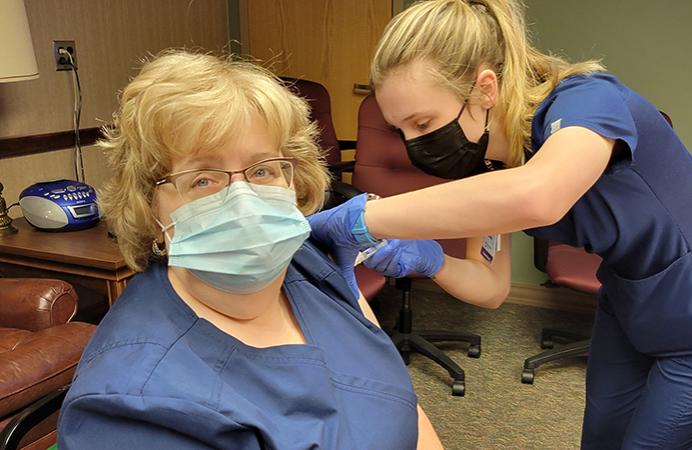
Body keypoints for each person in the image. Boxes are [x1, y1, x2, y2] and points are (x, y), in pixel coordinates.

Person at [308, 0, 692, 448]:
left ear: (485, 88)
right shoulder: (487, 166)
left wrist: (365, 216)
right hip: (635, 287)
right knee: (601, 436)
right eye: (401, 130)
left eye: (423, 121)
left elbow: (541, 196)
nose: (414, 144)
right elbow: (491, 287)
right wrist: (429, 259)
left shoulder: (588, 102)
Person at [56, 50, 443, 450]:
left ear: (293, 180)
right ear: (151, 209)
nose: (244, 202)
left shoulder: (307, 263)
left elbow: (399, 400)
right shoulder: (132, 407)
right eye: (203, 179)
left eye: (262, 170)